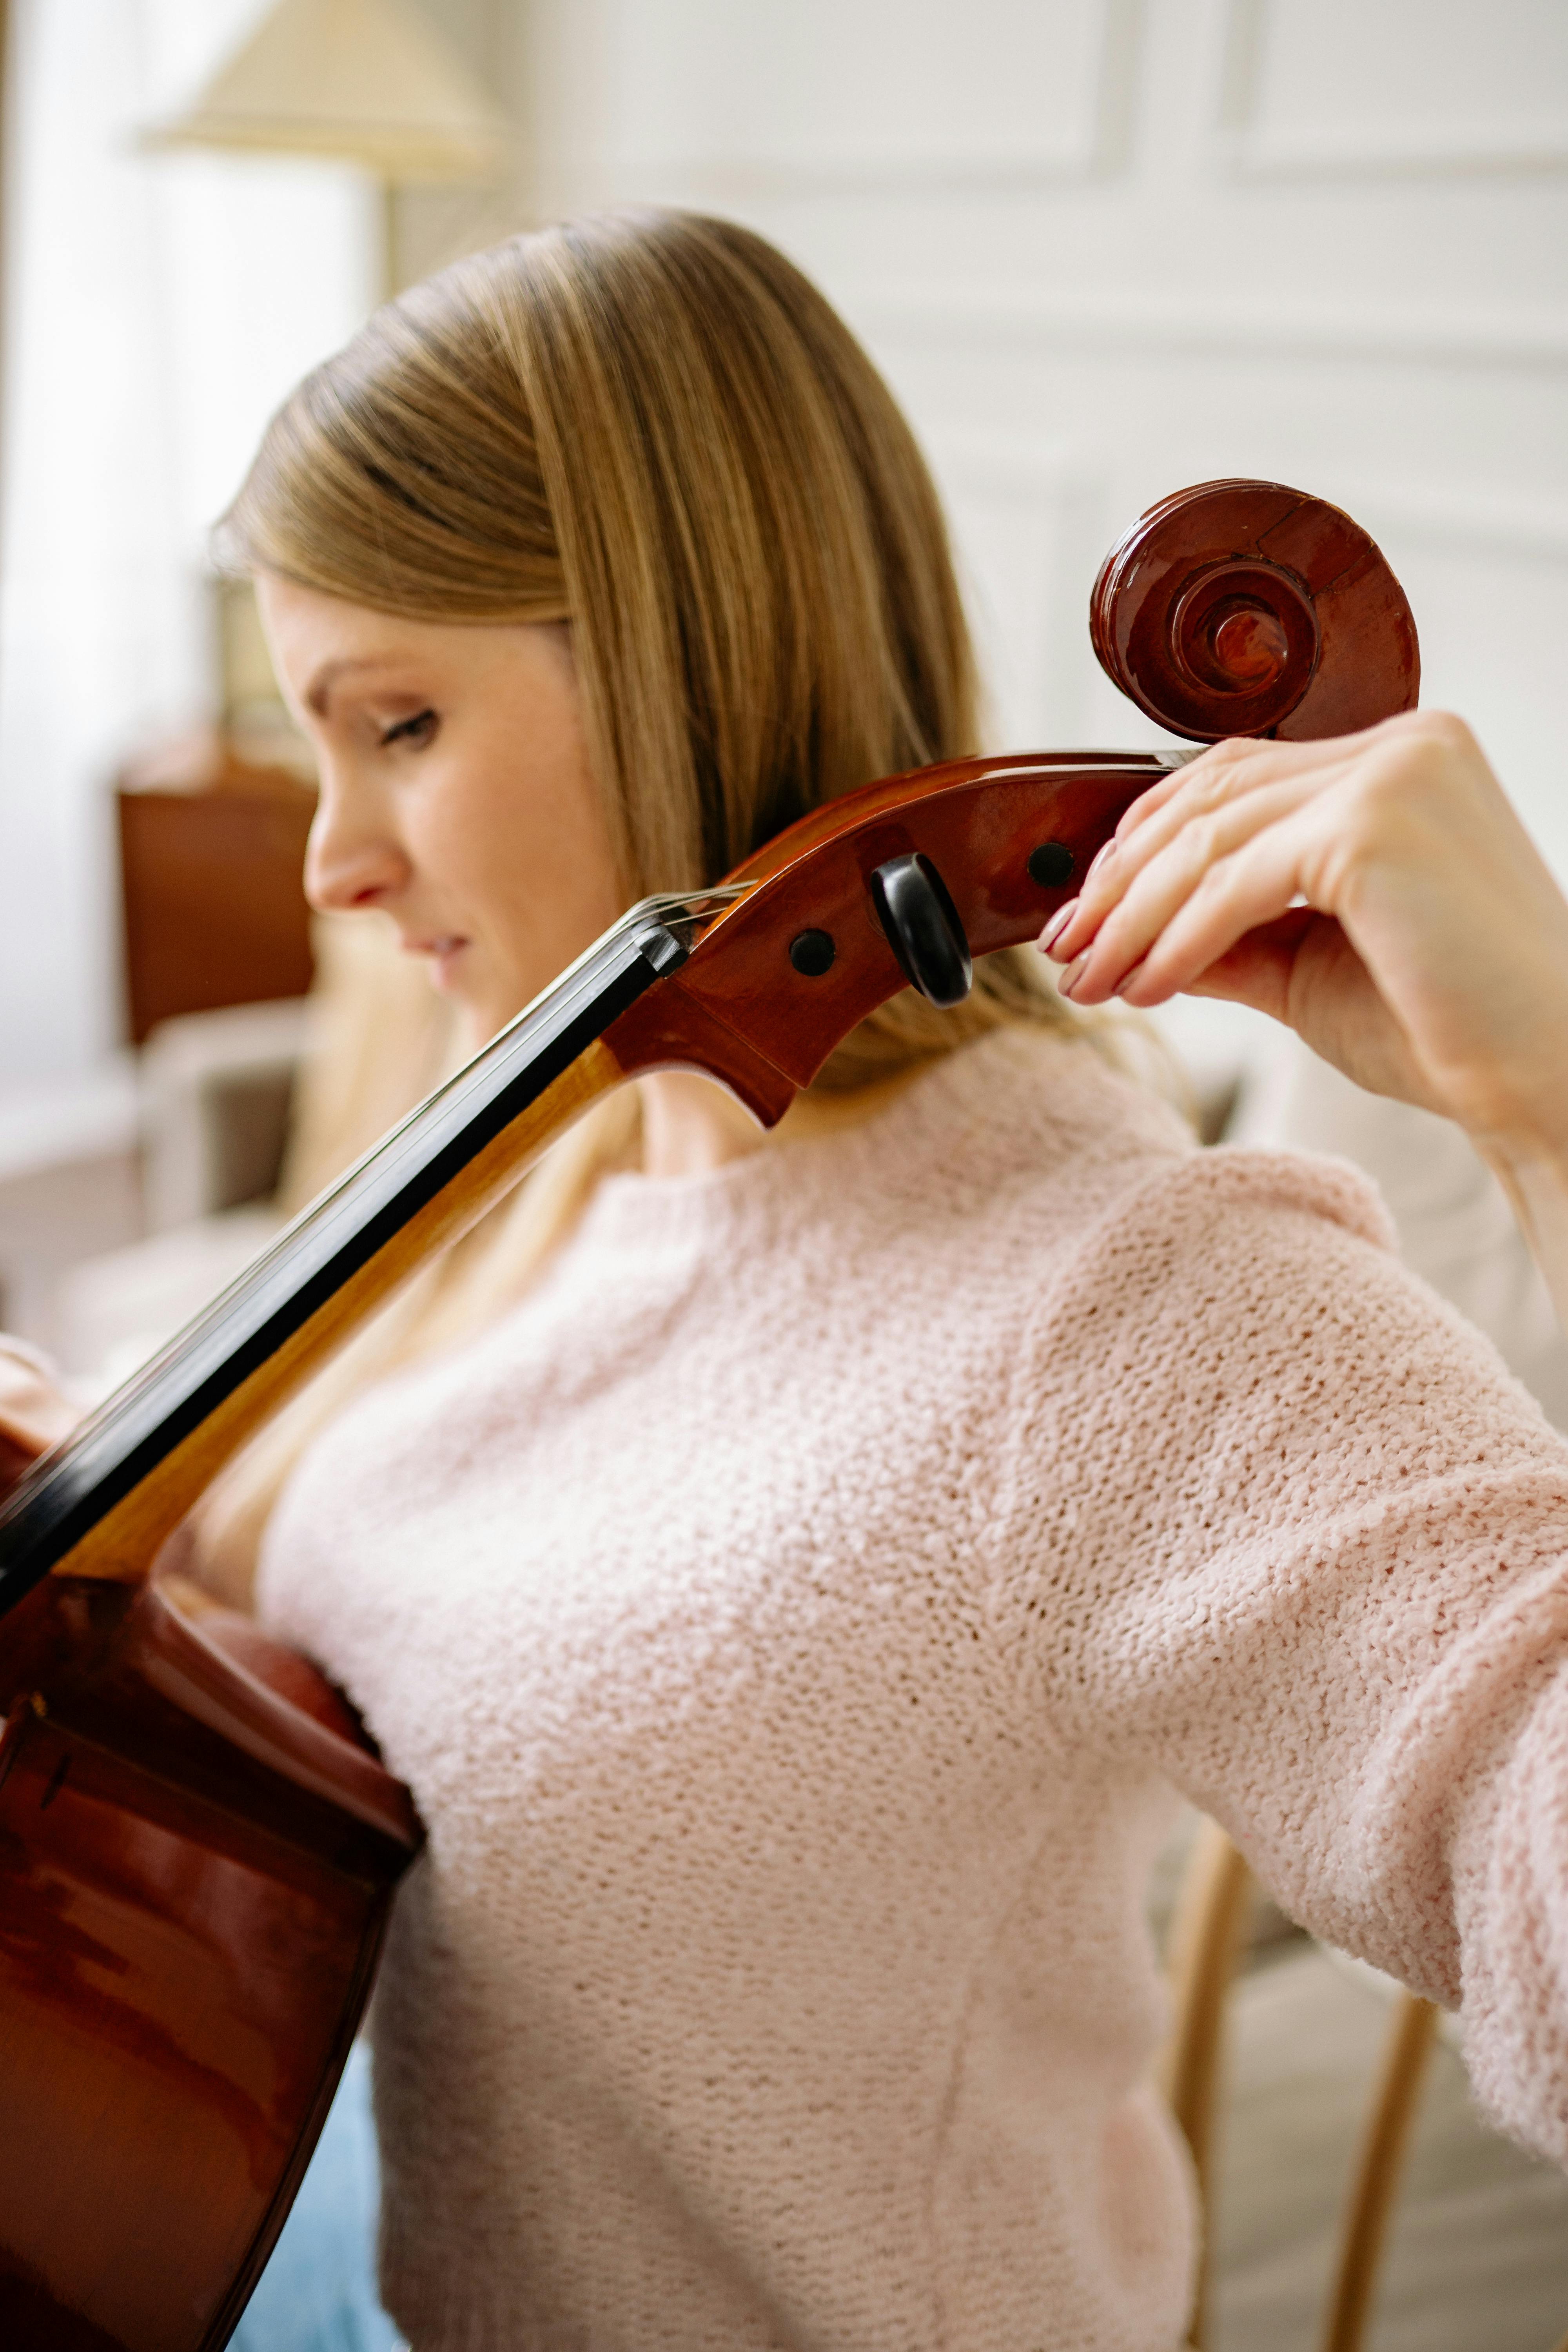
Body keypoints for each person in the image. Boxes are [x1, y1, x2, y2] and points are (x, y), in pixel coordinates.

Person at [3, 209, 1568, 2352]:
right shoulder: (564, 1139)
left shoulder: (1121, 1308)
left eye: (401, 724)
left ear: (672, 654)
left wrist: (1559, 1107)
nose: (331, 867)